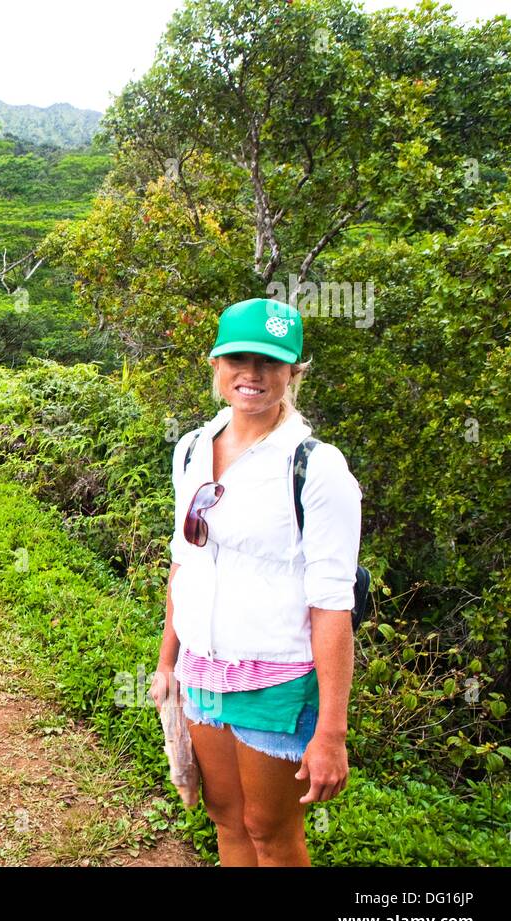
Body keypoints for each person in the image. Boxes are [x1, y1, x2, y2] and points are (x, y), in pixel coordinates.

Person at [149, 297, 362, 867]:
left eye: (270, 363)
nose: (253, 375)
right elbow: (183, 560)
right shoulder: (192, 449)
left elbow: (332, 605)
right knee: (226, 819)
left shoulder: (316, 468)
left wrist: (332, 735)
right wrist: (168, 663)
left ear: (292, 373)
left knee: (271, 831)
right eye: (239, 359)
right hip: (203, 670)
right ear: (216, 365)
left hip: (279, 678)